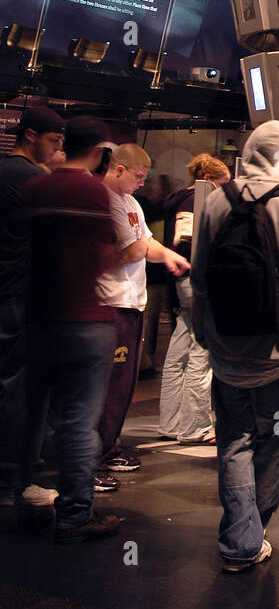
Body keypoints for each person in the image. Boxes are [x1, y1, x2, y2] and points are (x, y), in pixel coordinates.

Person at [191, 122, 279, 571]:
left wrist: (202, 330)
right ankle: (250, 534)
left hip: (226, 346)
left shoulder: (215, 201)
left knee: (233, 440)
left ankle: (240, 538)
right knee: (277, 439)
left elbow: (200, 276)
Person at [18, 117, 121, 543]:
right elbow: (111, 254)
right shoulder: (95, 192)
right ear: (97, 152)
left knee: (33, 414)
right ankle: (75, 514)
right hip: (85, 321)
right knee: (79, 424)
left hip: (38, 319)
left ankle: (21, 494)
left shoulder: (36, 188)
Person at [94, 146, 190, 485]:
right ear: (119, 169)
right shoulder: (102, 200)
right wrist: (147, 249)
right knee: (106, 386)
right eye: (137, 177)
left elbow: (145, 244)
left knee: (123, 384)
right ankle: (93, 460)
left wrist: (168, 256)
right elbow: (129, 250)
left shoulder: (131, 203)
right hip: (110, 305)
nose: (141, 184)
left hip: (133, 302)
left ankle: (108, 448)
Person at [0, 106, 65, 508]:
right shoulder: (33, 179)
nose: (58, 150)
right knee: (19, 389)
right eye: (54, 142)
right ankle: (14, 482)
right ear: (30, 136)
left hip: (7, 293)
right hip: (21, 296)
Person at [158, 155, 231, 445]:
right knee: (201, 356)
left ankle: (171, 422)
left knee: (179, 354)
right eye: (223, 185)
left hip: (180, 283)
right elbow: (183, 241)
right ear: (211, 181)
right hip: (195, 282)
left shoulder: (176, 199)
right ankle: (195, 427)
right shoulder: (193, 202)